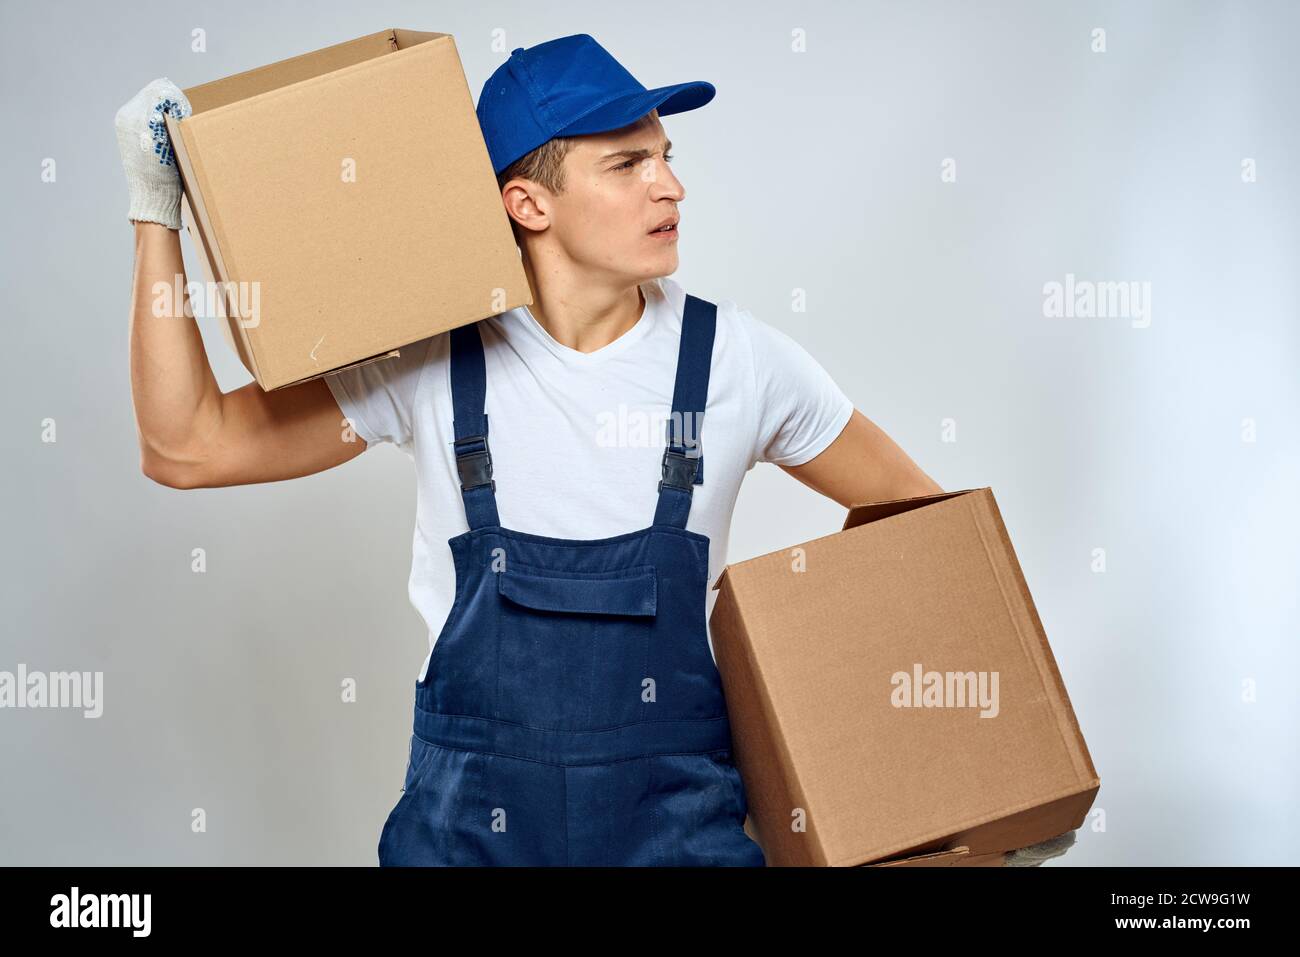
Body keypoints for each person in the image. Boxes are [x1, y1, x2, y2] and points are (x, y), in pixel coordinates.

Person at [116, 34, 1069, 866]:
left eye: (666, 155)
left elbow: (924, 531)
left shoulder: (740, 360)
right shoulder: (429, 362)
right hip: (465, 839)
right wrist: (156, 210)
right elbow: (185, 445)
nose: (671, 184)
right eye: (627, 164)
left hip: (681, 836)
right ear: (527, 204)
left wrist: (952, 785)